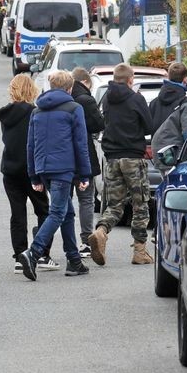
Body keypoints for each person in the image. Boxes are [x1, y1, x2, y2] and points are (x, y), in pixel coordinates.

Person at [16, 70, 92, 280]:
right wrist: (84, 174)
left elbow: (30, 145)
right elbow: (80, 143)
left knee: (66, 212)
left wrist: (34, 175)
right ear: (69, 89)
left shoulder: (37, 111)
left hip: (44, 168)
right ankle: (33, 253)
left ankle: (74, 260)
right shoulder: (74, 108)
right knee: (58, 212)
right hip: (63, 167)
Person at [88, 63, 154, 266]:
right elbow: (149, 126)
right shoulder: (136, 99)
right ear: (130, 79)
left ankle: (101, 232)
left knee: (114, 205)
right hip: (133, 158)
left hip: (112, 158)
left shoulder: (107, 98)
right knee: (140, 204)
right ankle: (140, 252)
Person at [0, 75, 57, 273]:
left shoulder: (5, 115)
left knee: (18, 213)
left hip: (11, 168)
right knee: (43, 210)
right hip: (33, 168)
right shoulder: (35, 112)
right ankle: (41, 254)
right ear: (32, 90)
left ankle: (19, 254)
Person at [70, 67, 104, 256]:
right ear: (85, 82)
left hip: (64, 157)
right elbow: (98, 124)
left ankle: (68, 243)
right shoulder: (86, 99)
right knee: (86, 199)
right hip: (83, 155)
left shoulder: (64, 99)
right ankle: (85, 241)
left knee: (64, 201)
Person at [150, 62, 187, 175]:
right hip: (176, 156)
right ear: (185, 79)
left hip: (159, 154)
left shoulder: (154, 103)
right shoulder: (185, 104)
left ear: (168, 77)